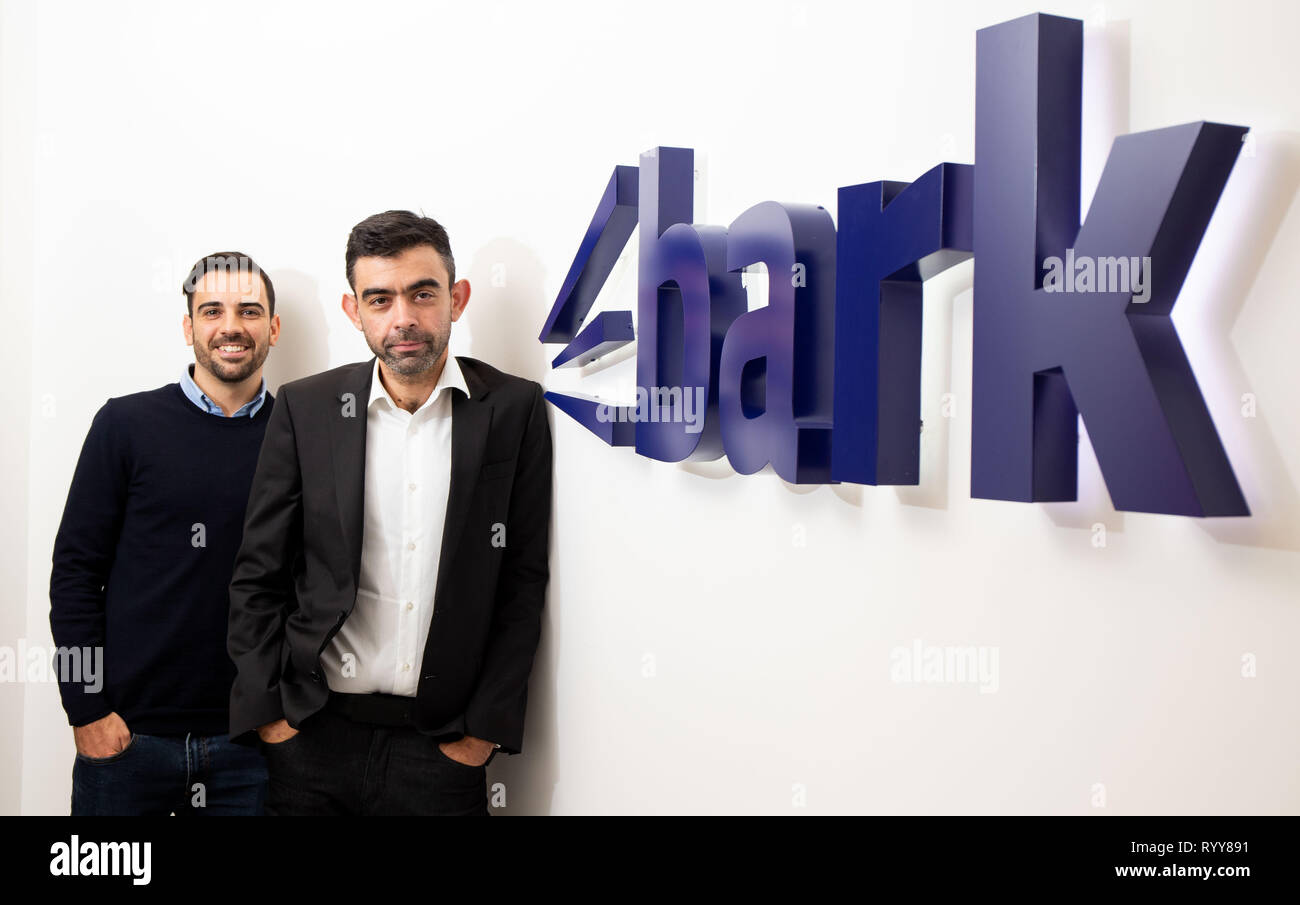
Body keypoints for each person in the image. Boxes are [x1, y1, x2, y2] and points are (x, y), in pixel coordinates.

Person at [228, 211, 552, 816]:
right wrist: (270, 718)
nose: (402, 317)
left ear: (456, 298)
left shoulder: (512, 409)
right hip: (313, 738)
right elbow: (258, 574)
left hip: (443, 749)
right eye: (379, 298)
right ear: (355, 312)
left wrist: (482, 735)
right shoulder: (307, 408)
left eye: (422, 293)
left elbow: (522, 580)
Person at [50, 251, 281, 815]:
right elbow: (75, 576)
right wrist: (86, 710)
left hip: (253, 748)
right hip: (127, 743)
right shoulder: (124, 425)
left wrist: (286, 714)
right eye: (212, 311)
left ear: (273, 328)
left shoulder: (299, 437)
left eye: (250, 311)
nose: (231, 327)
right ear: (189, 327)